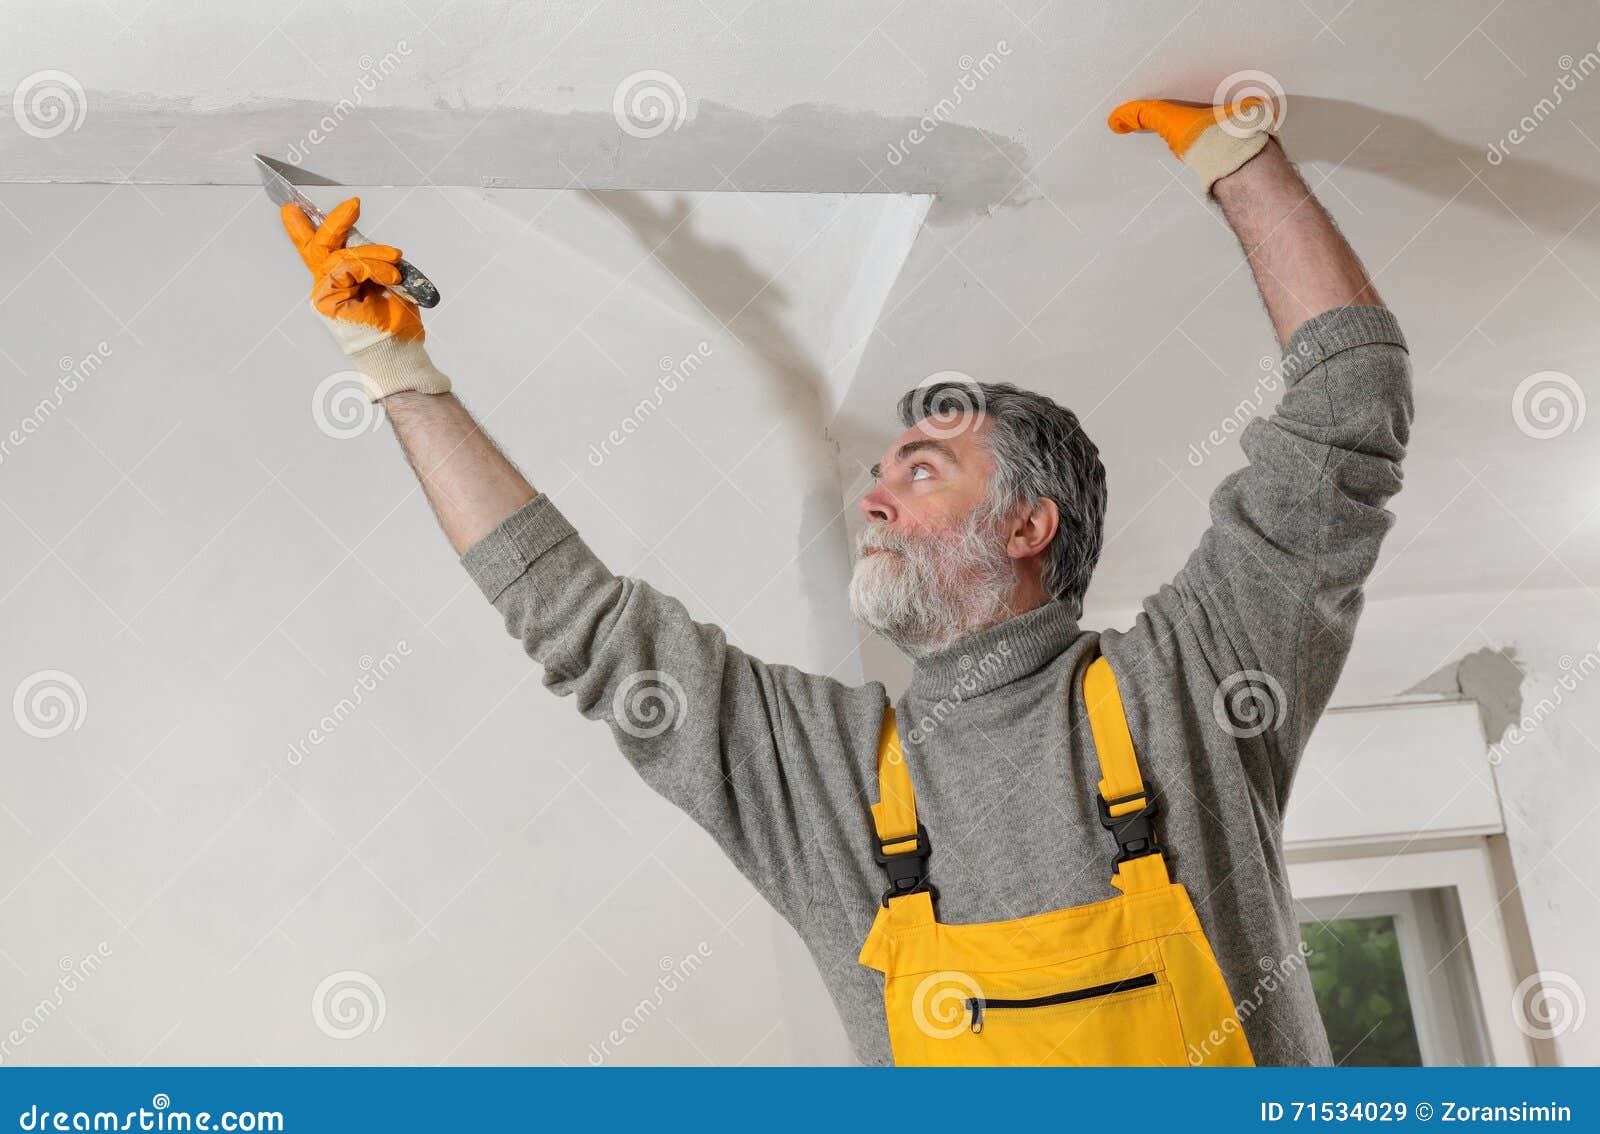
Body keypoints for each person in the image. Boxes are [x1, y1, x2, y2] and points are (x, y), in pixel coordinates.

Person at [277, 90, 1412, 1066]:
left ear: (1028, 523)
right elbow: (575, 620)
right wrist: (397, 371)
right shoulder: (821, 776)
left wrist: (1240, 159)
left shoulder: (1190, 684)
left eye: (921, 468)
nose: (872, 494)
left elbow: (1343, 419)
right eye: (877, 471)